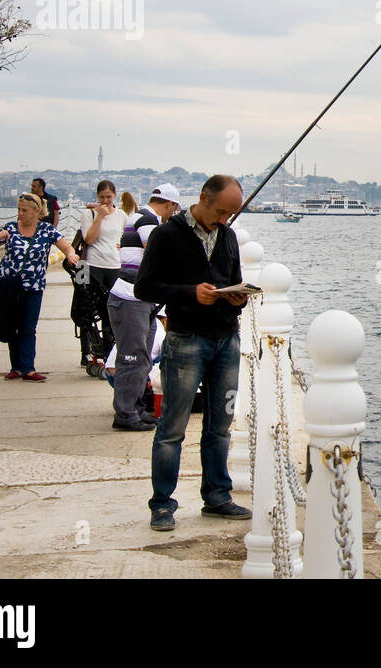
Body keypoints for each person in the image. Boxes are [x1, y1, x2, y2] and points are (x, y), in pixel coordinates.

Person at [135, 174, 251, 531]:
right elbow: (145, 287)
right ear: (202, 197)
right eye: (221, 211)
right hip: (186, 339)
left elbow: (234, 279)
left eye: (232, 214)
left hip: (226, 339)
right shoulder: (166, 235)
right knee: (172, 427)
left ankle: (217, 495)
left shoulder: (228, 236)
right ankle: (162, 504)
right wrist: (189, 293)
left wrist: (238, 298)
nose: (225, 220)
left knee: (220, 426)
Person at [0, 192, 80, 381]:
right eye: (19, 210)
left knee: (28, 328)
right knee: (11, 326)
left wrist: (71, 254)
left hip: (33, 287)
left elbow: (67, 247)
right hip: (9, 285)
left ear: (37, 211)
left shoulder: (46, 230)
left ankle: (28, 368)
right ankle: (16, 367)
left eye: (25, 210)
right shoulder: (10, 228)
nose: (21, 214)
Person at [107, 184, 180, 431]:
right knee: (132, 357)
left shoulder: (139, 216)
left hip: (140, 299)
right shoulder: (148, 219)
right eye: (174, 209)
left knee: (142, 357)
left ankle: (136, 408)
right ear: (170, 204)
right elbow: (155, 250)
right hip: (131, 299)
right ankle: (126, 414)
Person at [80, 180, 125, 358]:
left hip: (114, 265)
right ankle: (87, 353)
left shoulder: (121, 215)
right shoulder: (88, 214)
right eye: (102, 198)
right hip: (92, 265)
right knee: (88, 312)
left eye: (109, 197)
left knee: (110, 311)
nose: (106, 201)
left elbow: (125, 235)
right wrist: (99, 216)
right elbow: (89, 239)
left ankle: (109, 351)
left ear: (115, 196)